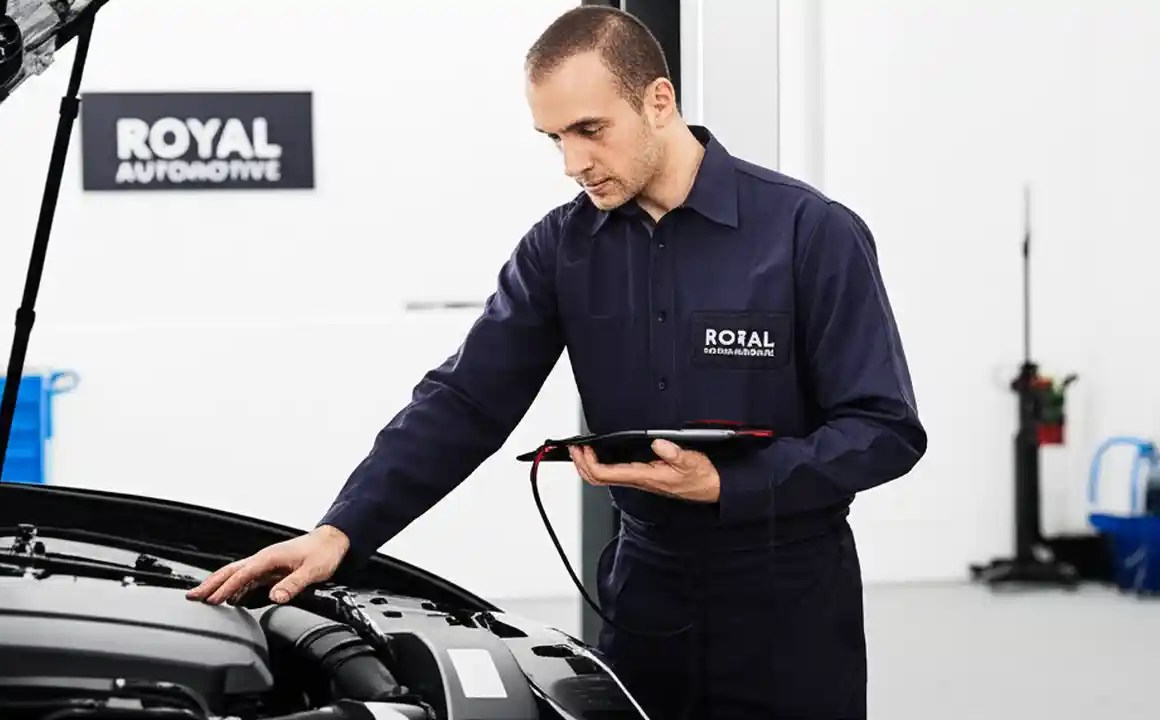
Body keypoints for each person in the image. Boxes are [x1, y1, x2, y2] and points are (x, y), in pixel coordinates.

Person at [186, 6, 926, 718]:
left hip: (787, 607)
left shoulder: (810, 234)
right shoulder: (561, 249)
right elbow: (465, 401)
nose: (574, 163)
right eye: (554, 139)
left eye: (590, 131)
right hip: (644, 603)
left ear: (659, 101)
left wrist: (728, 484)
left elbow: (885, 428)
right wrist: (340, 532)